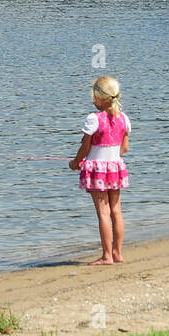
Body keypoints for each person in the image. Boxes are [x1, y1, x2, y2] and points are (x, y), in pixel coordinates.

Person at [68, 76, 129, 265]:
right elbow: (124, 148)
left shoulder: (93, 119)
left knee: (103, 213)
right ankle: (117, 253)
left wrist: (76, 162)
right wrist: (109, 155)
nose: (93, 101)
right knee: (116, 211)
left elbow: (85, 148)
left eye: (94, 97)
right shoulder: (123, 118)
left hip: (97, 171)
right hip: (115, 167)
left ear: (101, 99)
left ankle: (107, 256)